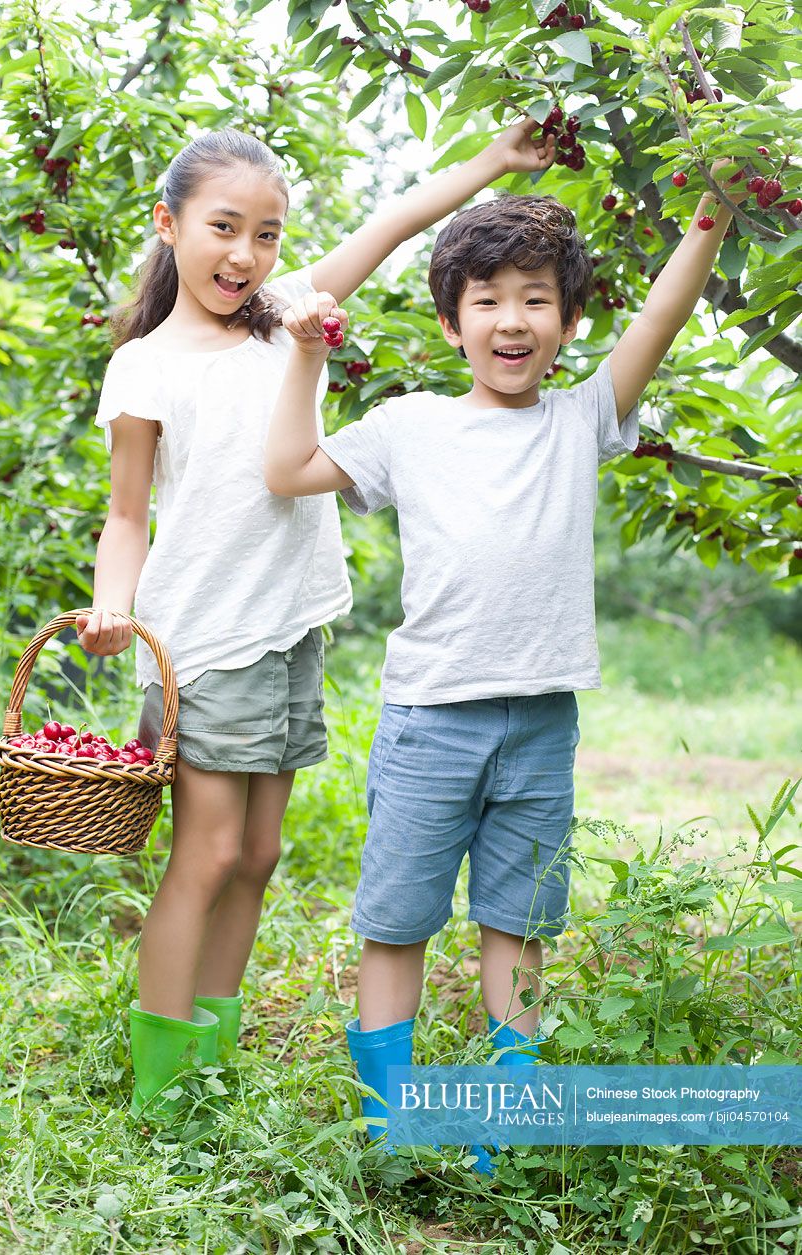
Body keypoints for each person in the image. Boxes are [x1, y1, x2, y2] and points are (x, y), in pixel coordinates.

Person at [264, 161, 747, 1170]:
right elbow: (288, 471)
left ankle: (505, 1112)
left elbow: (660, 317)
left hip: (539, 721)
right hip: (430, 718)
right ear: (453, 321)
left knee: (518, 921)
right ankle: (395, 1118)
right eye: (488, 300)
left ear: (569, 322)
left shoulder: (581, 421)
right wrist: (305, 356)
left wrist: (717, 207)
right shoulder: (410, 425)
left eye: (538, 299)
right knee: (397, 919)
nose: (513, 320)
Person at [77, 120, 559, 1120]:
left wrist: (492, 165)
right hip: (205, 633)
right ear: (168, 224)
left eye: (267, 233)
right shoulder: (144, 367)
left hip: (289, 623)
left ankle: (210, 1048)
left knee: (257, 854)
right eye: (223, 228)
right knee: (205, 853)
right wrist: (113, 604)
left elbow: (390, 222)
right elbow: (128, 516)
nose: (245, 254)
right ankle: (164, 1084)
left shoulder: (284, 314)